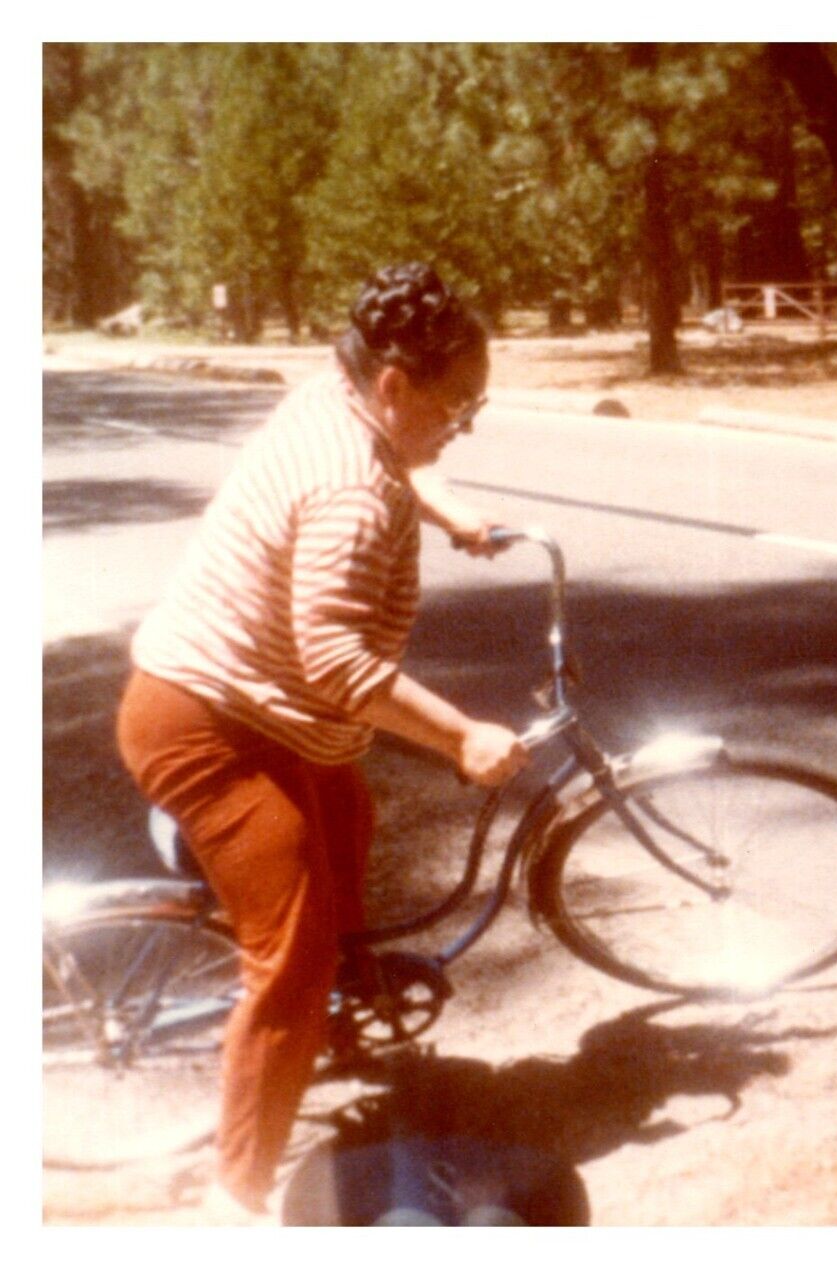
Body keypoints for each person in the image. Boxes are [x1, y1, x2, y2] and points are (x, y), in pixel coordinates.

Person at [115, 263, 528, 1223]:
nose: (462, 424)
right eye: (458, 406)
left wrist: (450, 507)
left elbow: (401, 453)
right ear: (394, 383)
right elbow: (338, 663)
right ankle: (238, 1192)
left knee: (349, 810)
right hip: (206, 721)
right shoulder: (348, 489)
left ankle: (333, 1035)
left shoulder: (336, 396)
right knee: (292, 959)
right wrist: (462, 735)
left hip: (258, 704)